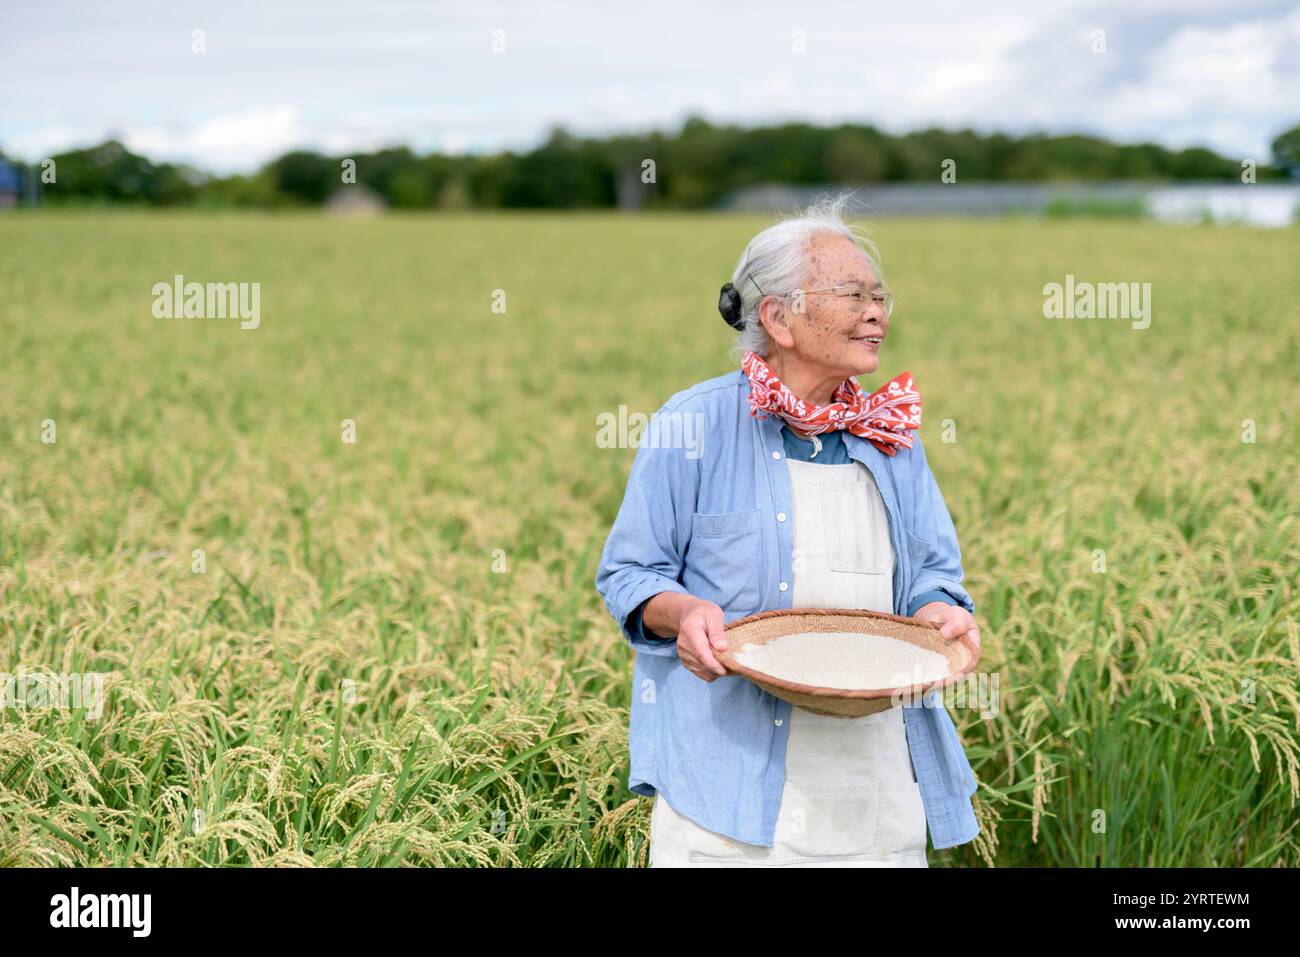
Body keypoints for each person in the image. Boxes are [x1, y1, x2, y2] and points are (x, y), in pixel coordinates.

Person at [595, 194, 982, 867]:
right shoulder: (695, 425)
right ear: (779, 316)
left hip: (875, 786)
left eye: (880, 296)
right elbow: (630, 574)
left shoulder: (892, 439)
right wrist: (684, 612)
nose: (877, 312)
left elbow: (932, 575)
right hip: (729, 800)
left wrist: (940, 614)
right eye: (854, 293)